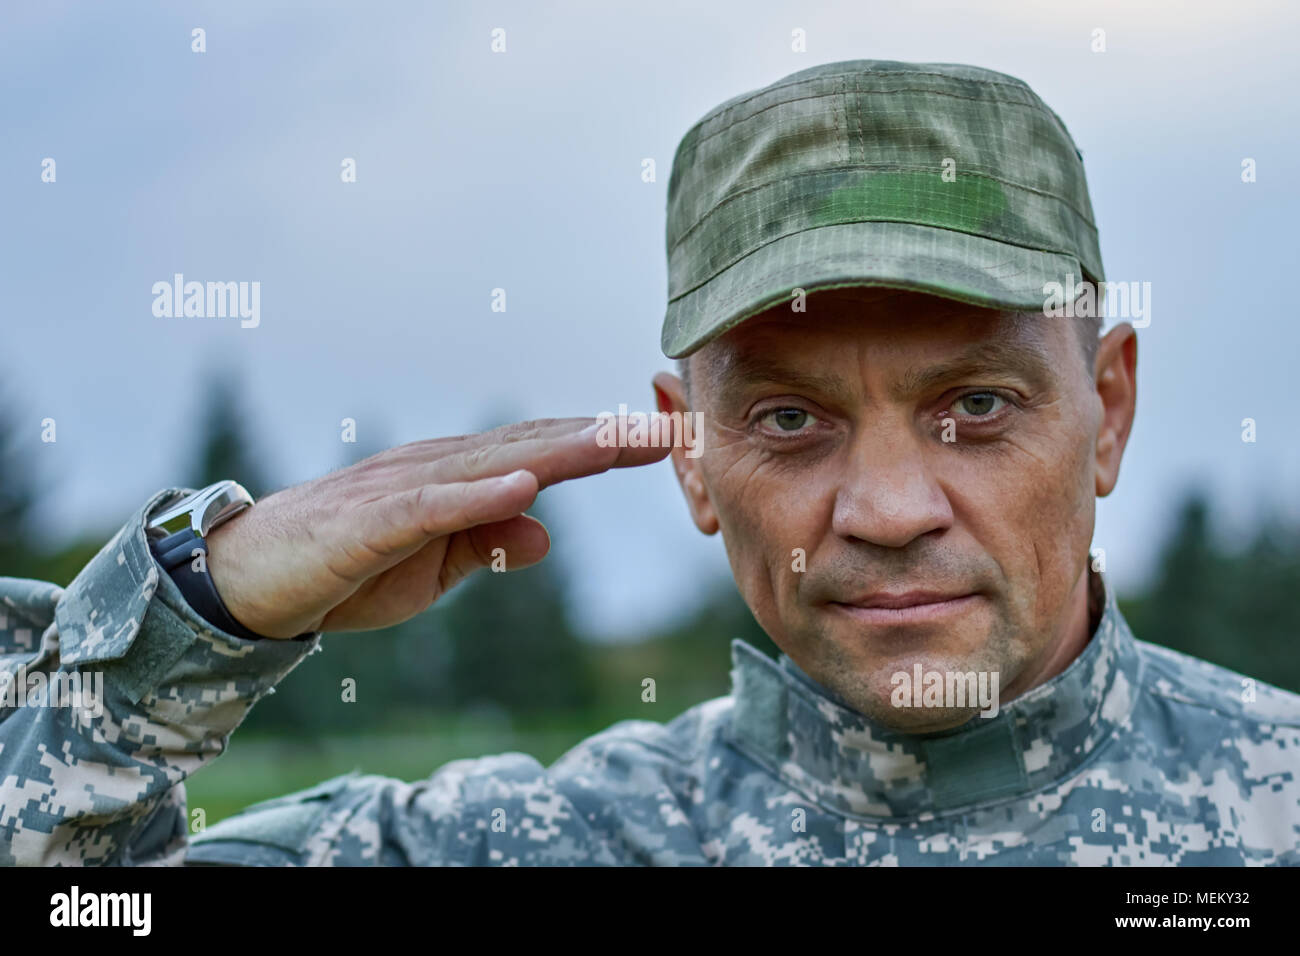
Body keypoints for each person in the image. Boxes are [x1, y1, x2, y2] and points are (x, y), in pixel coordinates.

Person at [2, 59, 1296, 866]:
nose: (890, 510)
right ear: (688, 451)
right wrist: (197, 610)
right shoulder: (538, 850)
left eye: (977, 403)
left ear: (1109, 409)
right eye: (789, 419)